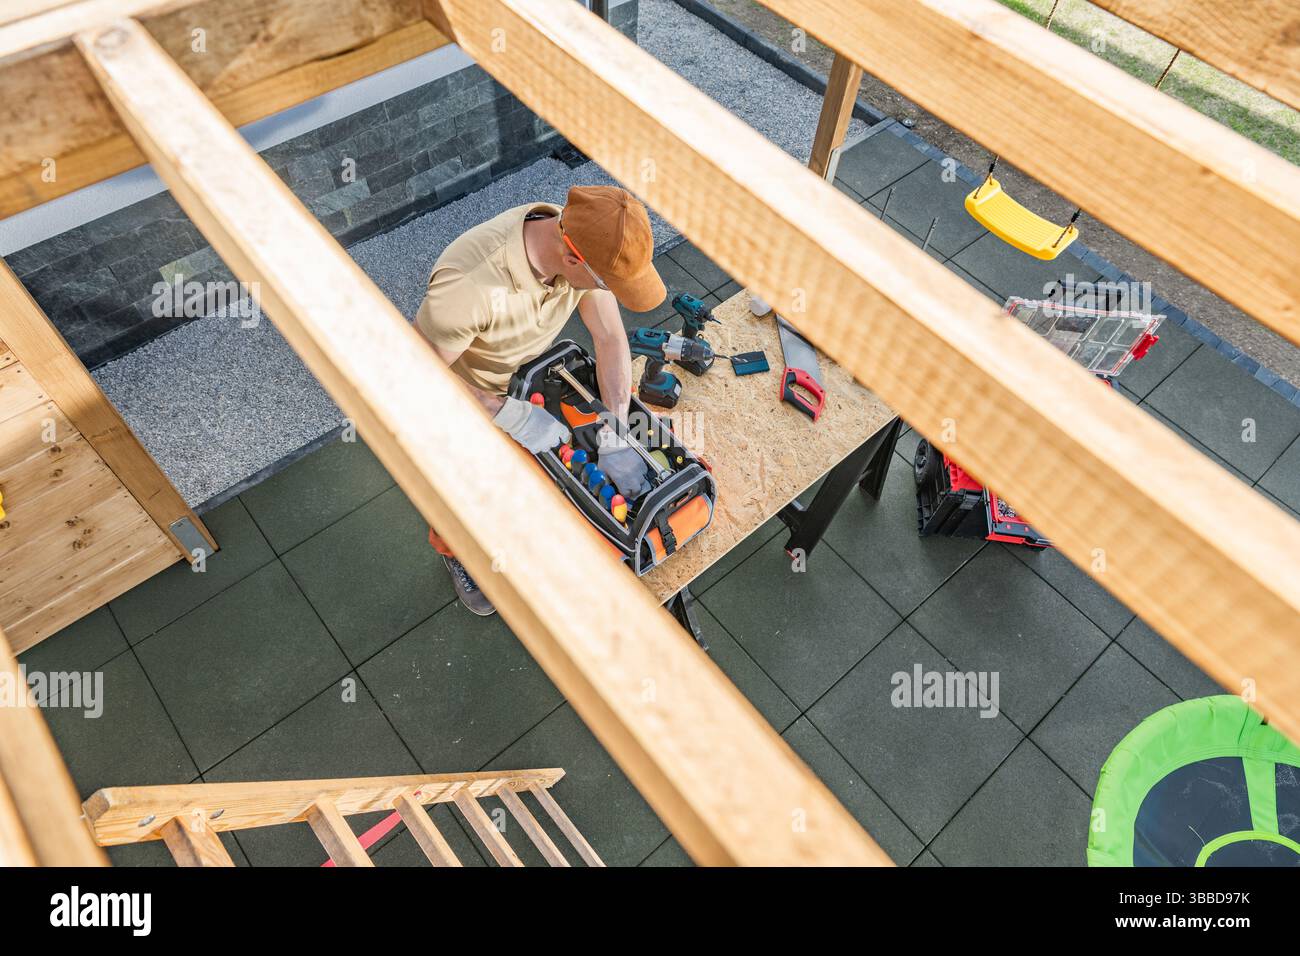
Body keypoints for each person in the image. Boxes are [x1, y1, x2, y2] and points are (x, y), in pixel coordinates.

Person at [415, 184, 666, 616]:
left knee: (533, 483)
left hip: (528, 374)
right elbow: (413, 372)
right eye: (607, 282)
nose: (608, 291)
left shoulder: (583, 238)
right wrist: (508, 415)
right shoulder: (469, 287)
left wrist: (618, 425)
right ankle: (455, 552)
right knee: (462, 493)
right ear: (571, 259)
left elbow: (608, 337)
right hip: (461, 395)